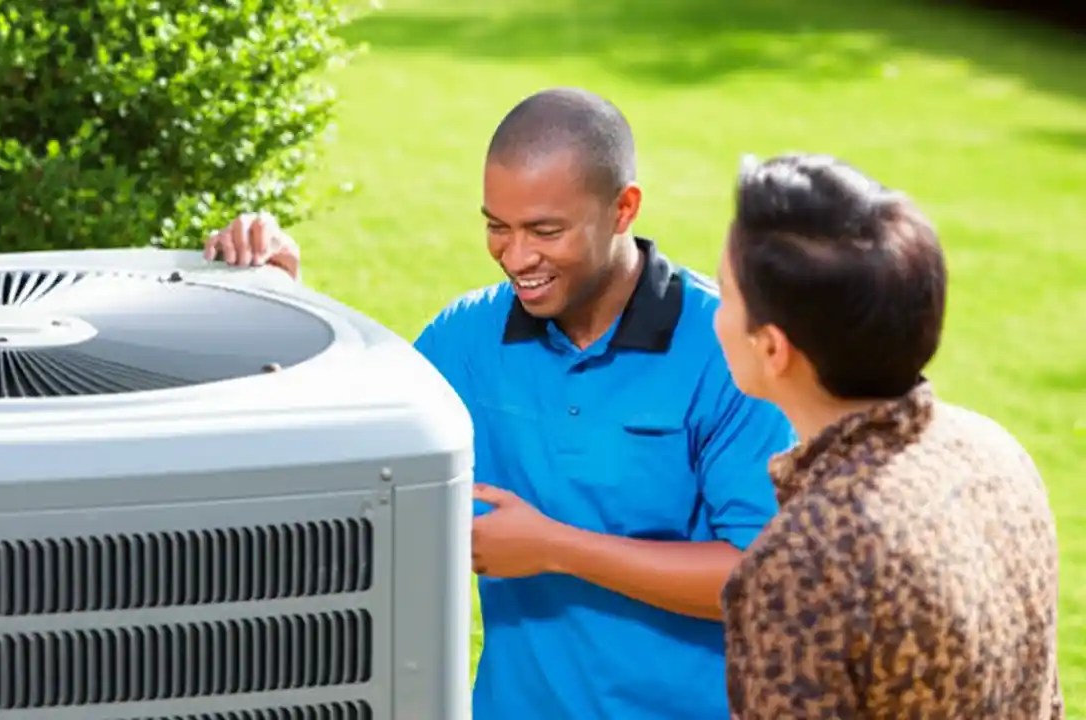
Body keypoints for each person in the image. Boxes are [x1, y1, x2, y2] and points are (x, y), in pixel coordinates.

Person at [205, 87, 796, 719]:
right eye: (497, 227)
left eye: (546, 230)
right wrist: (285, 299)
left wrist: (555, 548)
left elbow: (762, 583)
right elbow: (360, 442)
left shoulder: (722, 350)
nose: (517, 258)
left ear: (622, 209)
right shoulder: (467, 338)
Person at [711, 153, 1063, 719]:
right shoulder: (997, 453)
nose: (715, 313)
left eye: (726, 293)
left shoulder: (804, 564)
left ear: (773, 349)